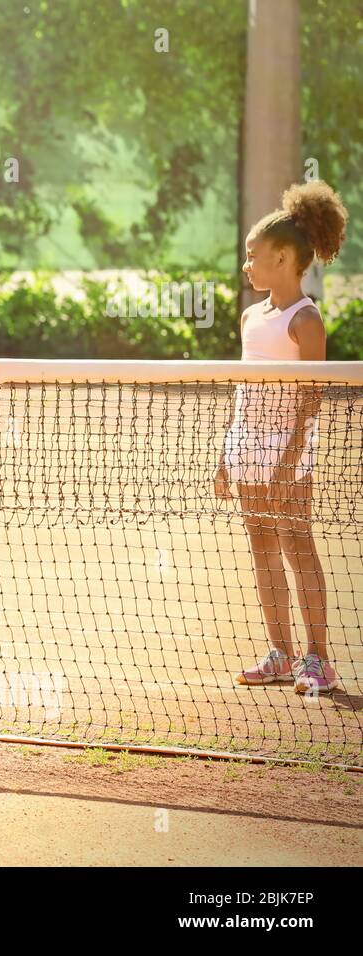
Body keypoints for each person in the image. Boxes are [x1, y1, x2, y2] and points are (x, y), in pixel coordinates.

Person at [219, 182, 349, 695]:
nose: (247, 266)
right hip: (247, 444)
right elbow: (243, 388)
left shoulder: (307, 319)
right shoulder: (252, 316)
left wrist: (288, 457)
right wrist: (229, 452)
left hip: (289, 450)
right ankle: (280, 653)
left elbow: (311, 399)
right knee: (261, 547)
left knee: (298, 545)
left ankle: (317, 660)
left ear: (282, 258)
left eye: (254, 258)